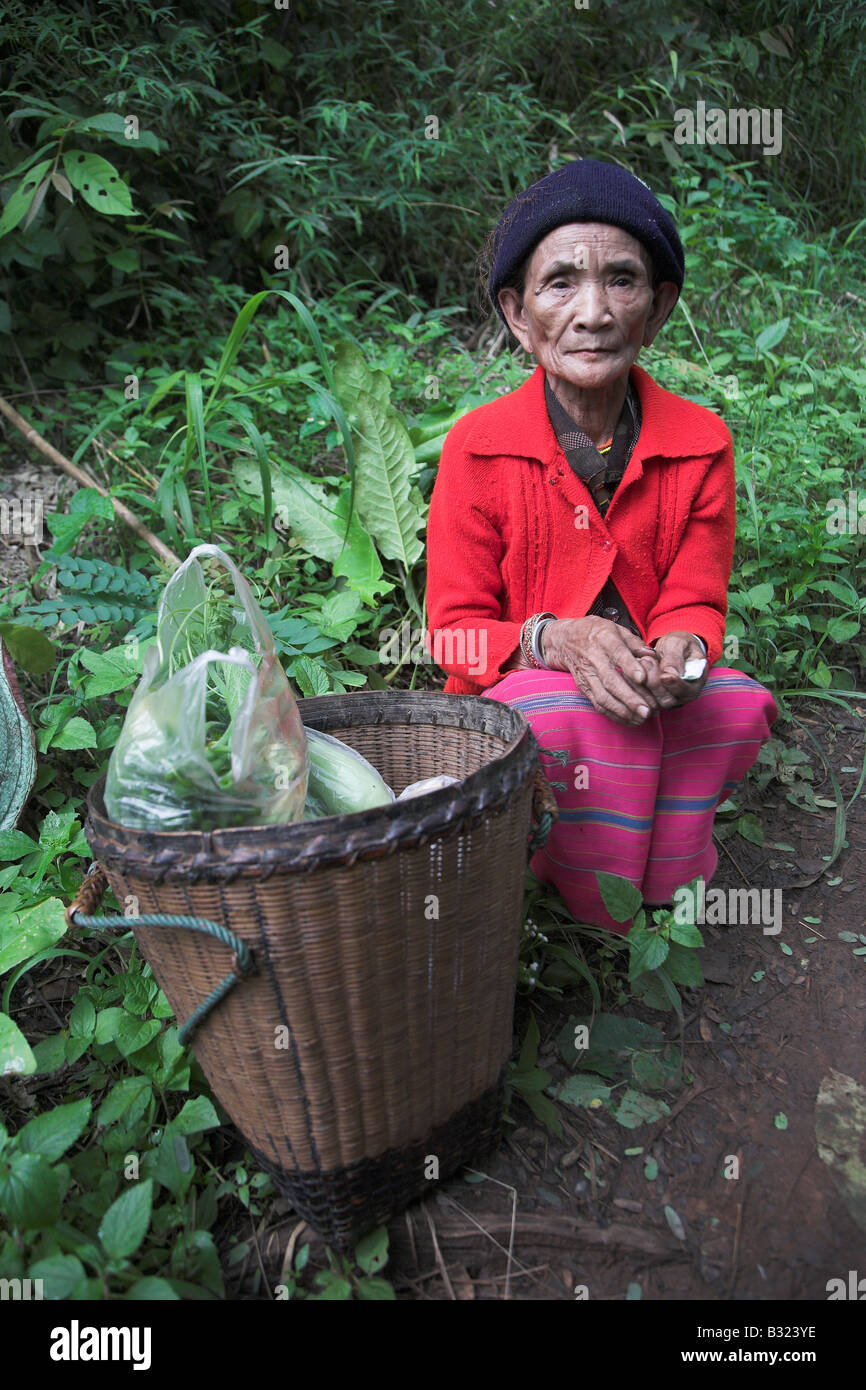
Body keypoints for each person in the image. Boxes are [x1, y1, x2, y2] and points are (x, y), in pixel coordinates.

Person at [424, 159, 778, 933]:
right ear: (519, 316)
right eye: (560, 285)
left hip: (645, 689)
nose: (593, 312)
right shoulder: (478, 448)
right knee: (552, 720)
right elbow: (453, 631)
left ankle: (659, 873)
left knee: (735, 702)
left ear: (658, 309)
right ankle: (576, 898)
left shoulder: (701, 442)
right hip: (531, 691)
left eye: (622, 280)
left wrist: (682, 652)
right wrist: (556, 641)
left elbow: (694, 596)